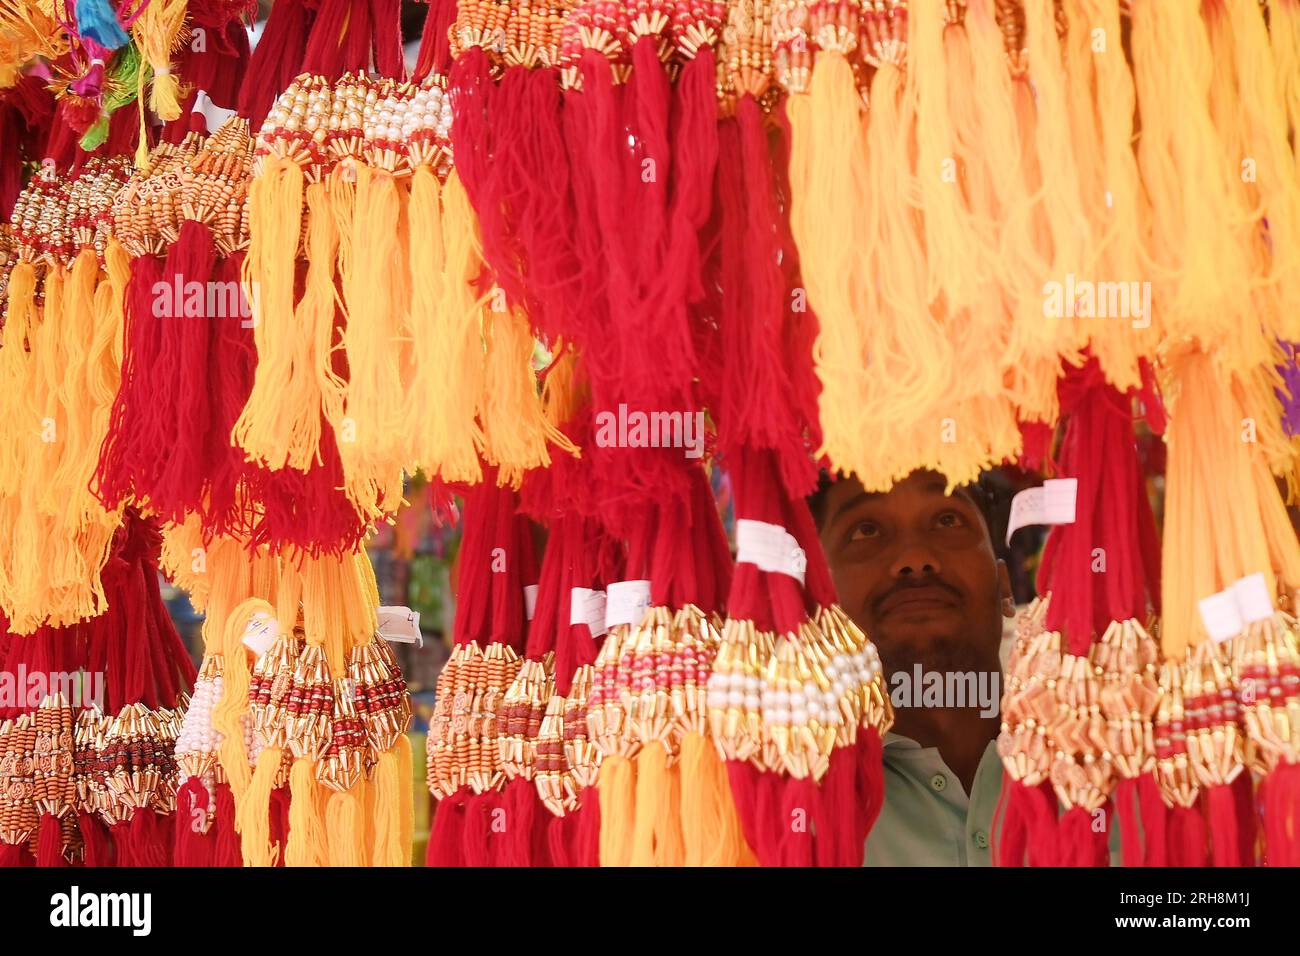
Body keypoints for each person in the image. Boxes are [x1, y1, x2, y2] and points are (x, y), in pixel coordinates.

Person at [809, 468, 1124, 865]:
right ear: (817, 602)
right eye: (866, 531)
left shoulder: (1127, 764)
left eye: (946, 520)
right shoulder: (791, 812)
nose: (915, 559)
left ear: (1004, 586)